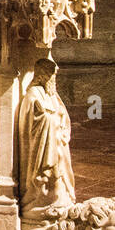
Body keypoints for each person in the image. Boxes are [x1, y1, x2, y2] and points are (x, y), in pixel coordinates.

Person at [18, 58, 75, 217]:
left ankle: (58, 198)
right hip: (43, 144)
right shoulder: (33, 94)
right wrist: (49, 120)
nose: (52, 80)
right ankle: (42, 200)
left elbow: (62, 113)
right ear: (41, 76)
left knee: (61, 172)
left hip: (56, 141)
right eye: (50, 75)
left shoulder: (51, 94)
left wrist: (60, 123)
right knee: (48, 174)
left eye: (54, 76)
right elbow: (31, 120)